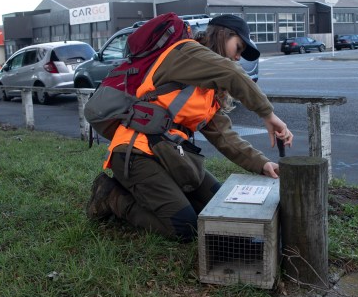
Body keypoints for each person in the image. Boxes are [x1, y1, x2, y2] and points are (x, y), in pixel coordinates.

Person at [87, 14, 293, 241]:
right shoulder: (185, 52)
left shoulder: (208, 91)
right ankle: (112, 197)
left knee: (219, 206)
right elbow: (231, 72)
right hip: (135, 153)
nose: (238, 56)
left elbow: (224, 136)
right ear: (223, 35)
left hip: (170, 155)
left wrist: (262, 164)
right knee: (185, 226)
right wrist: (268, 114)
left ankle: (161, 190)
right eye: (238, 47)